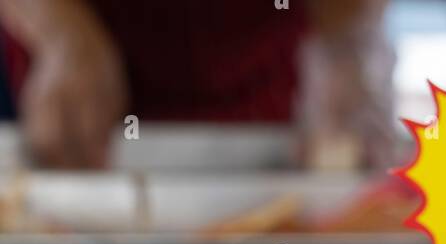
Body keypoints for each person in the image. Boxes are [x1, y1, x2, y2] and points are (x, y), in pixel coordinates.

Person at [0, 0, 394, 169]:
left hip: (270, 93)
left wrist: (345, 46)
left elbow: (346, 32)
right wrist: (63, 37)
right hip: (80, 92)